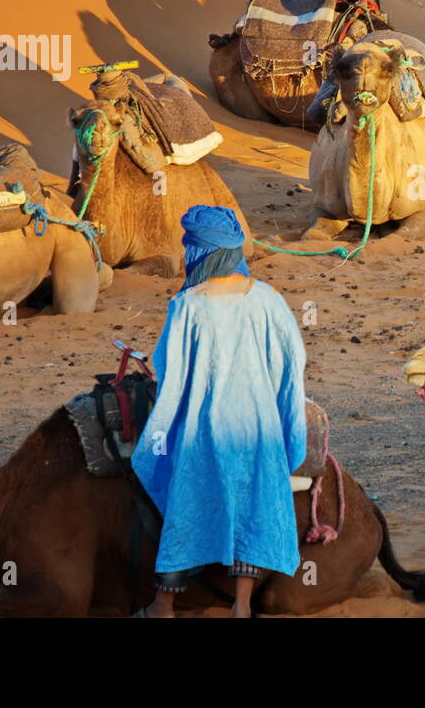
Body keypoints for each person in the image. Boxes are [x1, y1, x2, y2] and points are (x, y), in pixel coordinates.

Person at [131, 205, 308, 618]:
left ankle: (163, 604)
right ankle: (242, 605)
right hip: (257, 432)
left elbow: (170, 374)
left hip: (202, 432)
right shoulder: (268, 300)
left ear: (199, 252)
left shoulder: (187, 305)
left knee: (185, 502)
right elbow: (291, 366)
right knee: (252, 506)